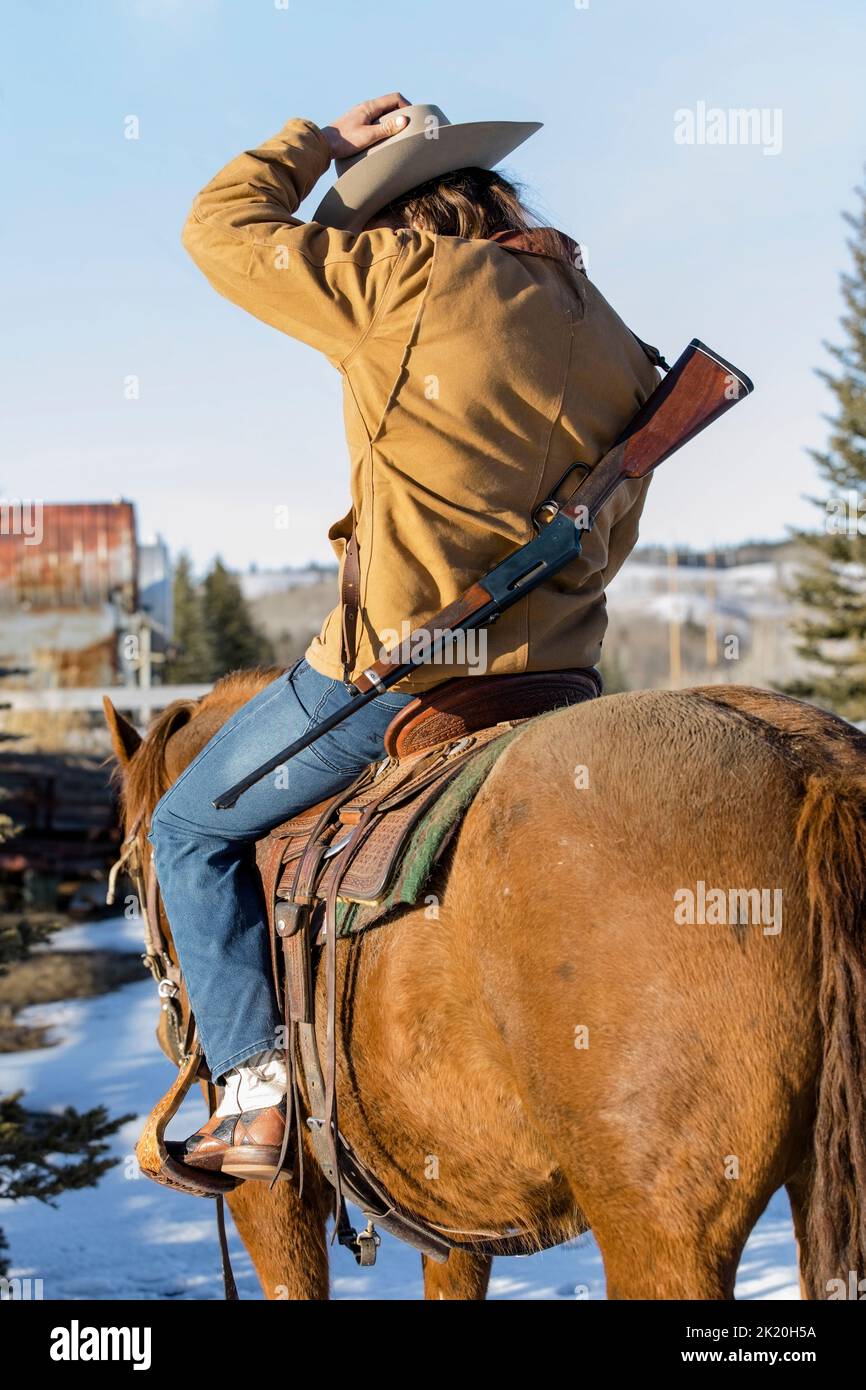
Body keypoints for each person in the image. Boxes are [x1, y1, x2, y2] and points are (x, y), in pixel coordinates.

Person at [149, 94, 660, 1180]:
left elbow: (217, 227)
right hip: (560, 684)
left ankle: (253, 1094)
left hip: (394, 678)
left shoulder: (404, 282)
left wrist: (320, 144)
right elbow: (607, 544)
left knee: (187, 834)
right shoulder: (614, 333)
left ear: (396, 219)